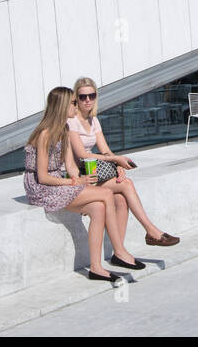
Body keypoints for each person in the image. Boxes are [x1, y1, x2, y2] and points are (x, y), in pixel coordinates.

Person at [24, 86, 142, 283]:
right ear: (62, 106)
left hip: (59, 182)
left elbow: (70, 164)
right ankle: (119, 251)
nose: (76, 105)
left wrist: (81, 179)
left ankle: (96, 268)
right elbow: (43, 177)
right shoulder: (45, 134)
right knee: (105, 196)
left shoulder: (65, 129)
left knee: (97, 207)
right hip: (41, 188)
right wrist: (75, 182)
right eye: (72, 102)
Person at [68, 78, 179, 252]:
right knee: (126, 185)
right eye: (83, 97)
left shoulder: (93, 120)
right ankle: (150, 231)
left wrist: (117, 164)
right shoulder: (72, 121)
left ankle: (119, 250)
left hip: (93, 173)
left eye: (91, 95)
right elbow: (81, 154)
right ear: (76, 98)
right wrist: (115, 160)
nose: (88, 100)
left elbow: (105, 150)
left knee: (121, 198)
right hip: (80, 175)